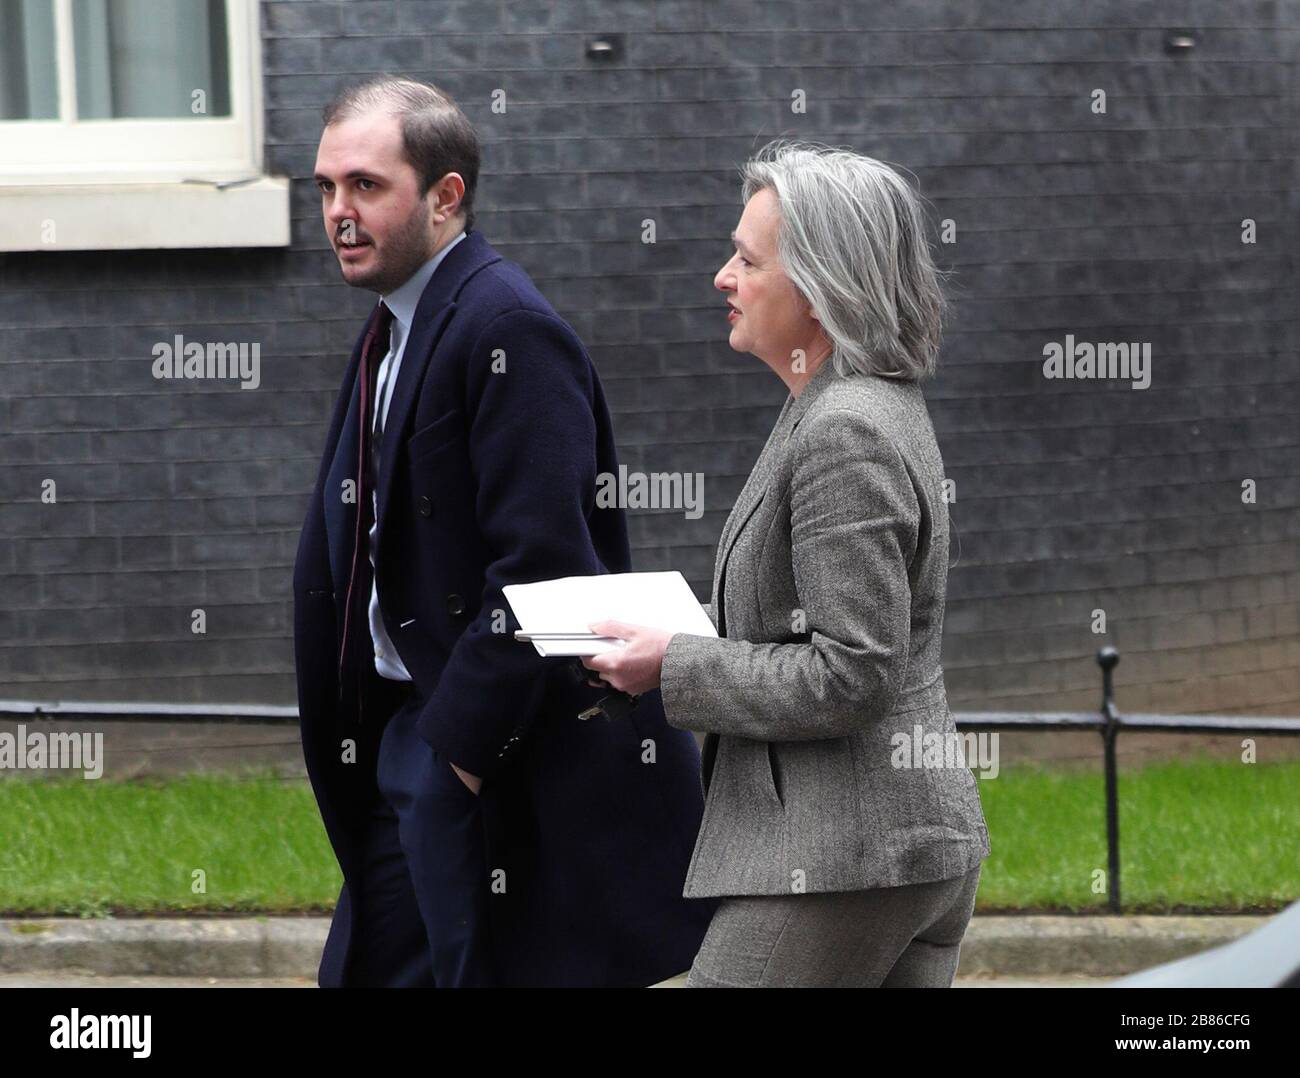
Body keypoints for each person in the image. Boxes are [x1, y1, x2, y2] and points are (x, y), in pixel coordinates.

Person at [293, 74, 716, 987]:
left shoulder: (507, 327)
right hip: (409, 731)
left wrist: (459, 758)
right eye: (325, 188)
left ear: (446, 198)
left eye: (366, 185)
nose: (338, 212)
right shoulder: (396, 327)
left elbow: (545, 564)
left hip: (479, 751)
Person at [583, 141, 991, 987]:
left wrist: (677, 663)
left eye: (746, 259)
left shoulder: (844, 428)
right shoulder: (845, 405)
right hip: (893, 849)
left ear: (819, 286)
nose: (722, 277)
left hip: (846, 856)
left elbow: (854, 671)